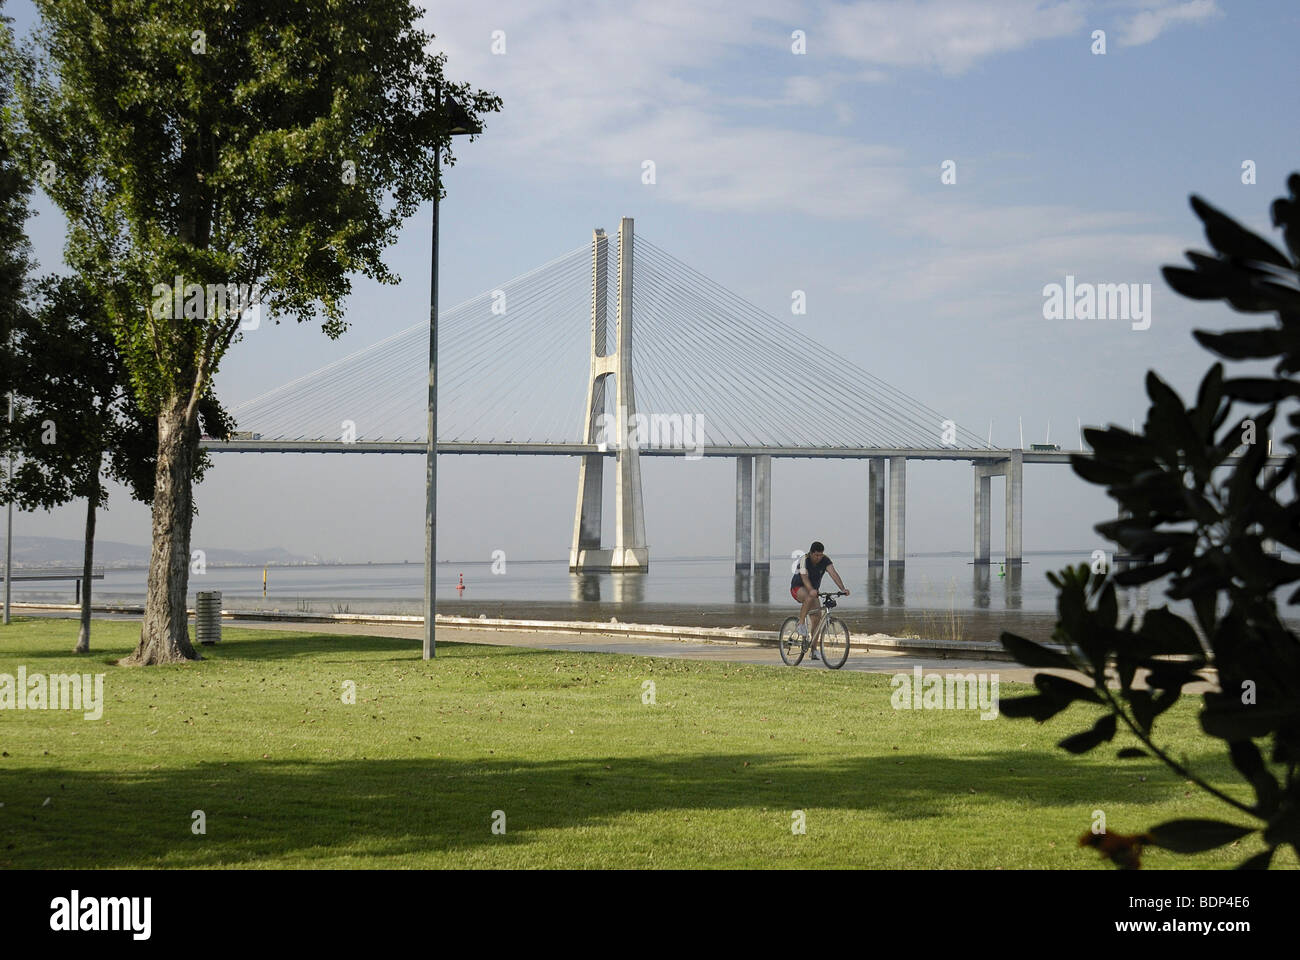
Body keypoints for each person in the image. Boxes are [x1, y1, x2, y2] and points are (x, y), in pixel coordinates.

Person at [790, 541, 849, 659]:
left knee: (817, 617)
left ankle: (813, 650)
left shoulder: (825, 560)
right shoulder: (804, 560)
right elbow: (804, 577)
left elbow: (833, 573)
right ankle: (801, 623)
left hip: (813, 591)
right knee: (809, 596)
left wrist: (842, 588)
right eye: (816, 555)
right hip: (798, 588)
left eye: (821, 555)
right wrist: (811, 589)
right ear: (811, 553)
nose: (819, 558)